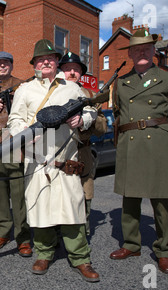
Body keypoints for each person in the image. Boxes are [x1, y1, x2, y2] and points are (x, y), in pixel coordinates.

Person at [7, 39, 99, 282]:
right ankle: (44, 253)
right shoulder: (24, 90)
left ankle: (81, 258)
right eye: (40, 59)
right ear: (34, 64)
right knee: (40, 210)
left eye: (50, 58)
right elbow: (14, 120)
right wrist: (25, 134)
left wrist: (82, 120)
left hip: (66, 162)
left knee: (73, 211)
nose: (45, 61)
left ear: (57, 61)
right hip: (36, 162)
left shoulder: (71, 87)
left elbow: (91, 111)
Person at [109, 29, 168, 274]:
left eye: (146, 49)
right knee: (129, 198)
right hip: (131, 141)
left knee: (160, 200)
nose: (142, 52)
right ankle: (131, 244)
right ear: (130, 53)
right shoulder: (121, 82)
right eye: (137, 49)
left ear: (154, 52)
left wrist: (163, 133)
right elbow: (119, 115)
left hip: (157, 142)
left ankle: (163, 250)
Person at [0, 51, 32, 257]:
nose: (2, 66)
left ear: (11, 65)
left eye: (5, 63)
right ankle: (3, 232)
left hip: (15, 143)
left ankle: (23, 237)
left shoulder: (23, 86)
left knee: (18, 193)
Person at [59, 52, 107, 236]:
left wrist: (90, 118)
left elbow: (102, 129)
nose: (72, 72)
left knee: (84, 196)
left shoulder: (90, 95)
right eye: (67, 69)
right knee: (59, 197)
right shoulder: (52, 94)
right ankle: (57, 237)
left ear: (81, 73)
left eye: (76, 69)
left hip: (82, 153)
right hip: (58, 153)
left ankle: (82, 234)